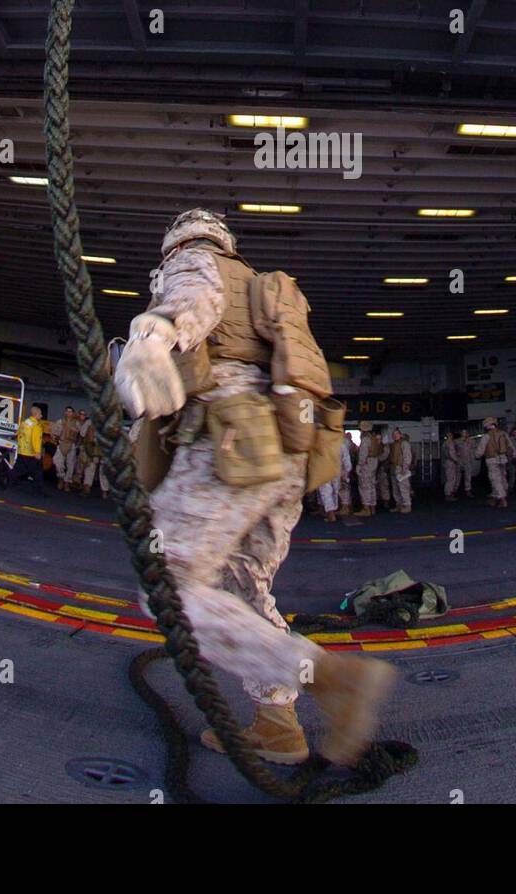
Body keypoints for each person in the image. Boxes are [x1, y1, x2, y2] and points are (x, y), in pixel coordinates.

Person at [114, 208, 394, 766]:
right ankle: (277, 724)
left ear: (178, 240)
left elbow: (194, 299)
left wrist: (153, 334)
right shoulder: (262, 284)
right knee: (244, 585)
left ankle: (328, 677)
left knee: (165, 587)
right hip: (287, 450)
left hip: (229, 442)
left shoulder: (191, 260)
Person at [5, 403, 47, 495]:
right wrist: (37, 452)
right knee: (38, 472)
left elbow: (18, 434)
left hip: (21, 451)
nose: (41, 416)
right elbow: (35, 440)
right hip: (31, 453)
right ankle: (39, 491)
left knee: (18, 470)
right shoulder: (36, 426)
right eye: (40, 414)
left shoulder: (25, 423)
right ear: (36, 415)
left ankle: (7, 482)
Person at [479, 417, 512, 509]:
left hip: (492, 460)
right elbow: (510, 446)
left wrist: (477, 456)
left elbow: (480, 451)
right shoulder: (503, 434)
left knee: (495, 480)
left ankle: (502, 500)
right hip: (503, 458)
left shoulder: (486, 436)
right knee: (502, 478)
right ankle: (495, 499)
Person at [52, 406, 81, 490]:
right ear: (65, 412)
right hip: (61, 443)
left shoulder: (77, 423)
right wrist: (56, 442)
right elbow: (54, 433)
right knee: (57, 462)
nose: (68, 413)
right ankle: (61, 478)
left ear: (73, 413)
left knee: (70, 465)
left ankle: (67, 482)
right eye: (67, 411)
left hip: (71, 445)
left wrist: (77, 445)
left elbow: (80, 435)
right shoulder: (60, 422)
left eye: (70, 411)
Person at [389, 429, 414, 514]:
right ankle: (399, 505)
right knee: (395, 488)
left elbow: (407, 456)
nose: (395, 436)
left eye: (396, 434)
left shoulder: (404, 443)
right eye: (393, 434)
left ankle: (407, 505)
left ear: (400, 434)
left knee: (403, 487)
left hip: (401, 468)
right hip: (394, 467)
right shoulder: (393, 444)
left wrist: (405, 468)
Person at [337, 431, 354, 516]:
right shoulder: (343, 443)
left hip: (342, 470)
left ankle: (345, 508)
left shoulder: (342, 444)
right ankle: (347, 507)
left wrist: (346, 471)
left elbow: (346, 459)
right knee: (343, 489)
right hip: (342, 469)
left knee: (343, 489)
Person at [442, 430, 461, 501]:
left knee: (449, 478)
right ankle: (449, 494)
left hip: (447, 462)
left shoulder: (444, 443)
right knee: (452, 479)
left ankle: (448, 493)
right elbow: (452, 454)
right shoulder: (450, 443)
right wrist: (456, 460)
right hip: (451, 462)